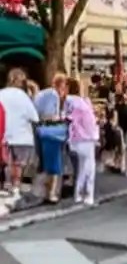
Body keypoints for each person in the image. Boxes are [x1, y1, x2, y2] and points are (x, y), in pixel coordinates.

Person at [0, 68, 39, 194]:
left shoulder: (1, 94)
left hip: (4, 136)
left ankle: (7, 185)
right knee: (19, 164)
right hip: (22, 137)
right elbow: (35, 117)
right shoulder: (23, 97)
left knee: (7, 163)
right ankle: (16, 186)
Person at [33, 73, 69, 203]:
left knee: (46, 163)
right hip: (51, 133)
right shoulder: (53, 95)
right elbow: (49, 116)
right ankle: (51, 194)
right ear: (61, 85)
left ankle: (45, 192)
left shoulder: (42, 94)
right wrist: (61, 118)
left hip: (40, 131)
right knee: (54, 165)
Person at [65, 80, 100, 206]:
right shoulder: (82, 103)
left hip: (75, 138)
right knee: (89, 167)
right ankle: (88, 194)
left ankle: (78, 194)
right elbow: (90, 122)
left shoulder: (69, 103)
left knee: (81, 167)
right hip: (87, 138)